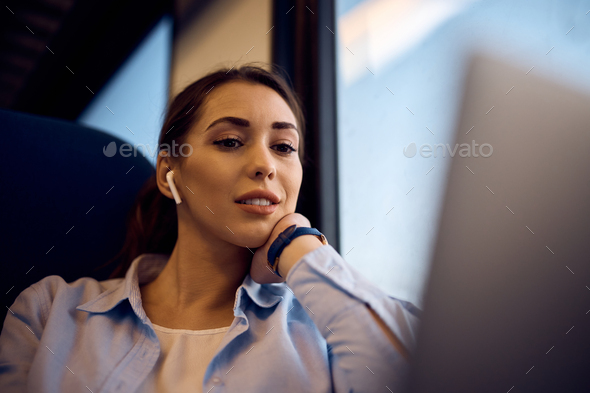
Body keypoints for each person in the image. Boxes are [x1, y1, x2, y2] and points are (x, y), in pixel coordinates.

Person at [0, 63, 420, 392]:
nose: (265, 165)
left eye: (284, 147)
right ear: (169, 173)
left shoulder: (325, 328)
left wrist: (296, 244)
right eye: (230, 141)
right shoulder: (49, 311)